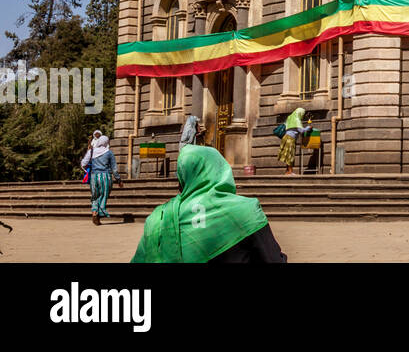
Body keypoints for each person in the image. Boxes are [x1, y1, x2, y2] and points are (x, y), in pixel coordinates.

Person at [132, 144, 287, 263]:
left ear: (182, 175)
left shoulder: (158, 219)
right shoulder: (246, 211)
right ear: (221, 170)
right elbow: (273, 259)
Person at [80, 131, 121, 225]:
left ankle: (95, 212)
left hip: (94, 177)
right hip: (106, 177)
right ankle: (101, 211)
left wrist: (88, 170)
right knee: (103, 195)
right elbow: (114, 169)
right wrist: (118, 179)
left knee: (94, 195)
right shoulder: (109, 153)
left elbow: (83, 164)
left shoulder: (92, 151)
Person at [279, 106, 306, 175]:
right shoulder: (296, 119)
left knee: (288, 155)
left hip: (285, 138)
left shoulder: (290, 118)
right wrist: (309, 127)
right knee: (290, 155)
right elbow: (302, 131)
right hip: (290, 139)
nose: (302, 116)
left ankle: (287, 171)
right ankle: (290, 172)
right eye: (303, 114)